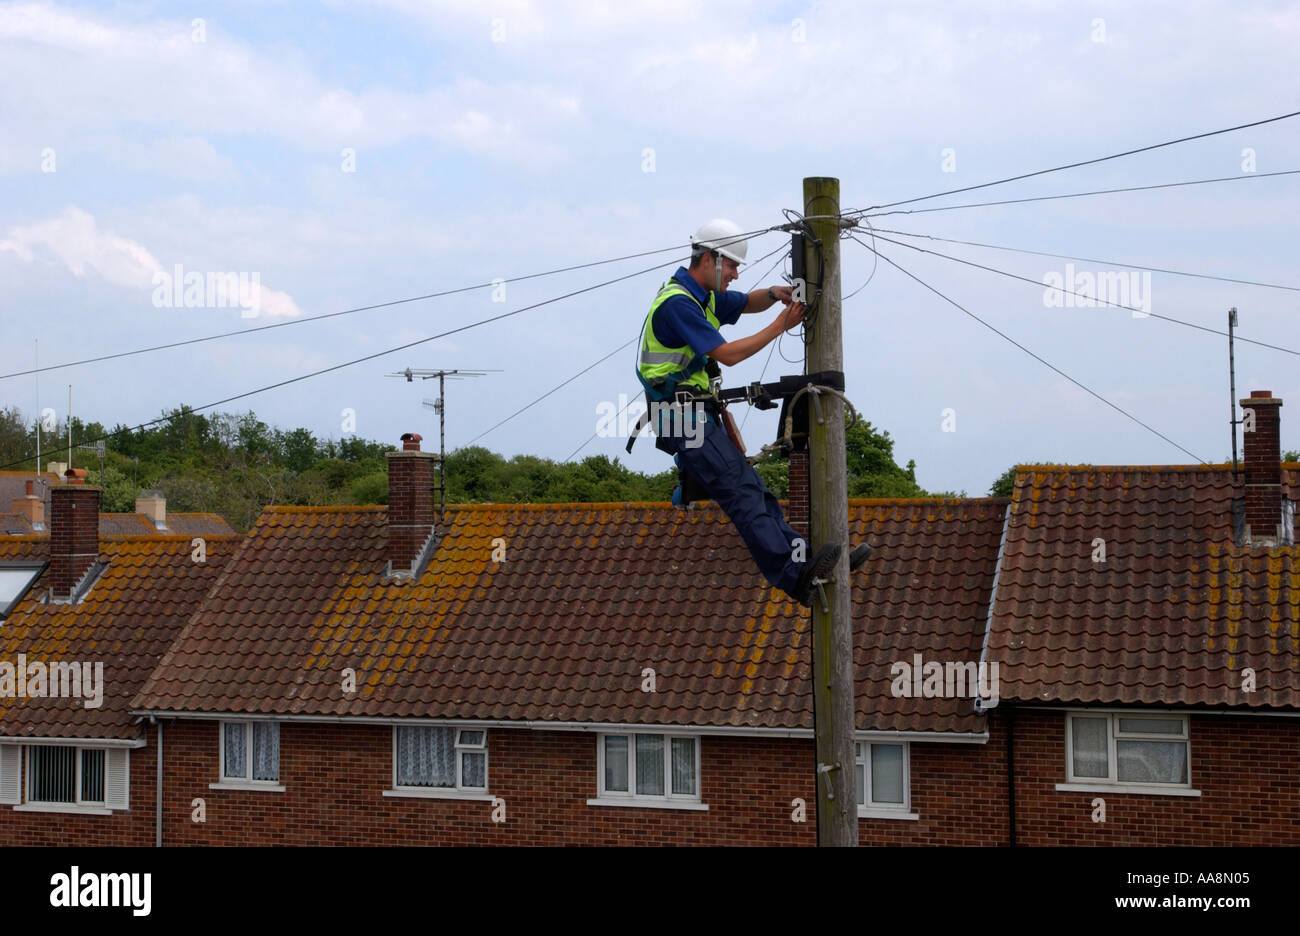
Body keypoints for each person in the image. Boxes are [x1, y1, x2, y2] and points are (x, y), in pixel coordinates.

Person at [635, 218, 870, 608]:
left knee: (756, 491)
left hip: (693, 412)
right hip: (678, 415)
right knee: (742, 493)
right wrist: (781, 323)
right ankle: (797, 578)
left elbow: (745, 302)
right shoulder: (678, 304)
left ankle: (805, 560)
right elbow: (727, 354)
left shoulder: (701, 297)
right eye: (730, 265)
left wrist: (775, 294)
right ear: (708, 259)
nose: (735, 272)